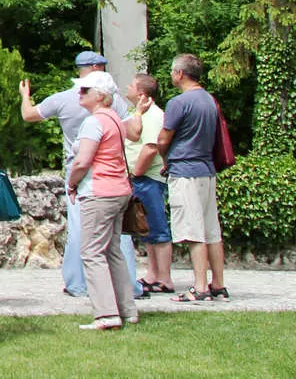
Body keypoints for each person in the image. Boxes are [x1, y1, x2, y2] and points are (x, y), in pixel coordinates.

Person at [20, 50, 137, 297]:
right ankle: (129, 285)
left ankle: (76, 283)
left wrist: (25, 96)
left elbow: (28, 115)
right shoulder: (112, 100)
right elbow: (134, 132)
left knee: (79, 228)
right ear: (96, 68)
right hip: (113, 169)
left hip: (82, 168)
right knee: (119, 234)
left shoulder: (63, 99)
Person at [65, 70, 138, 330]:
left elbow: (84, 160)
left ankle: (106, 314)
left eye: (84, 90)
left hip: (99, 192)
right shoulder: (116, 119)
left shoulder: (94, 122)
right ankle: (127, 309)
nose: (79, 94)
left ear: (100, 96)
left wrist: (72, 182)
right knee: (113, 251)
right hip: (119, 190)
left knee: (92, 252)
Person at [157, 53, 227, 303]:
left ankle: (199, 288)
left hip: (185, 172)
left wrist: (163, 154)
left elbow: (164, 138)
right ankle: (218, 284)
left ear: (179, 74)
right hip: (207, 171)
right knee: (212, 231)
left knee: (194, 232)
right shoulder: (209, 100)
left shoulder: (179, 103)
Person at [123, 73, 173, 293]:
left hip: (148, 179)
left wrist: (135, 173)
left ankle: (165, 278)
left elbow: (151, 148)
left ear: (141, 93)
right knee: (147, 229)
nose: (127, 86)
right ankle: (153, 274)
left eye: (131, 85)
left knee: (157, 228)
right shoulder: (140, 113)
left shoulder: (154, 116)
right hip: (141, 180)